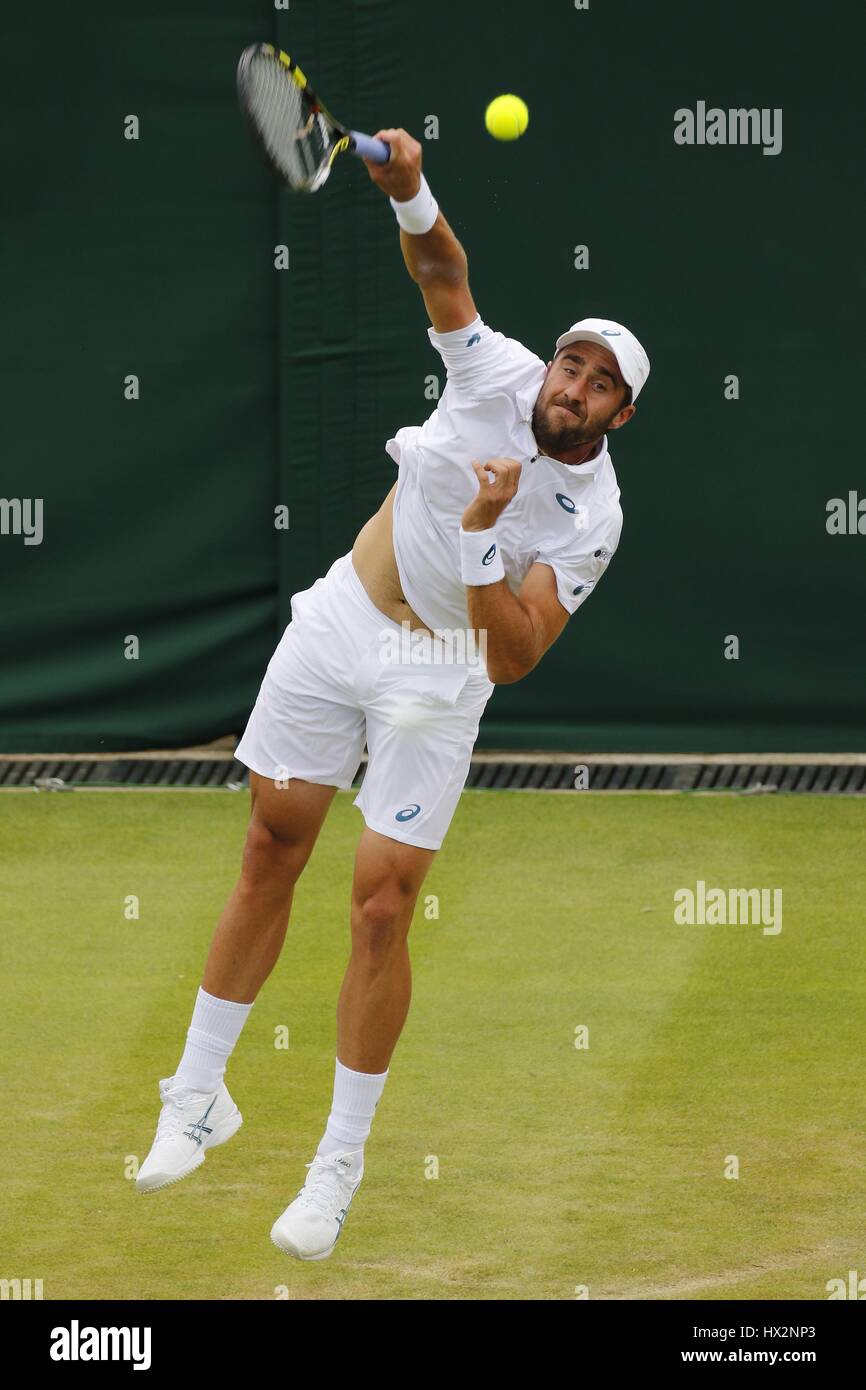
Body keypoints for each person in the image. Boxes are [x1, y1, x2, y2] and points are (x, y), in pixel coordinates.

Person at [135, 128, 650, 1261]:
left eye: (599, 382)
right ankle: (198, 1092)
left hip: (439, 679)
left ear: (617, 418)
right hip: (340, 623)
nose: (571, 383)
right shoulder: (495, 369)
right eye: (572, 362)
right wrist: (411, 193)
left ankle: (335, 1167)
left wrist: (477, 544)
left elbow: (512, 658)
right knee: (272, 840)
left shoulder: (591, 520)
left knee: (377, 904)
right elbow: (444, 275)